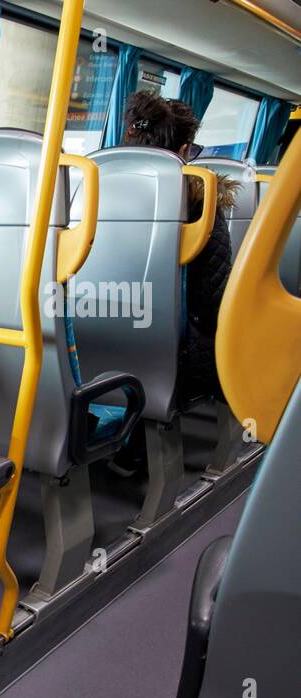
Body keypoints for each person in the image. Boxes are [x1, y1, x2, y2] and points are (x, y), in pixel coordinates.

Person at [109, 90, 238, 477]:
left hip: (92, 337)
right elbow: (214, 303)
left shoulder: (90, 191)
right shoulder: (200, 204)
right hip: (171, 353)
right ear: (183, 150)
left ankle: (124, 440)